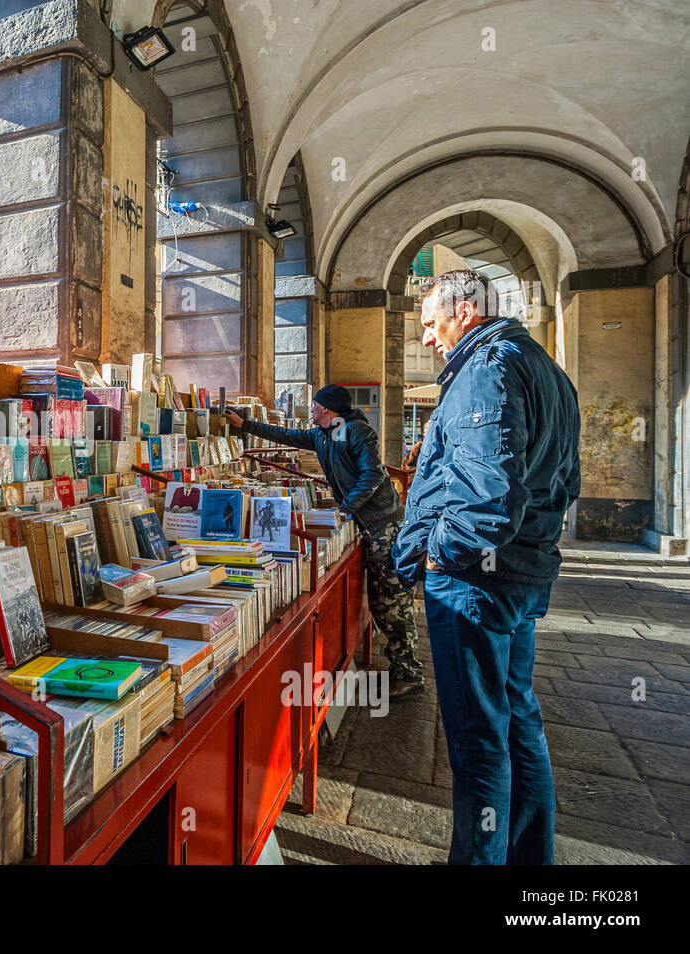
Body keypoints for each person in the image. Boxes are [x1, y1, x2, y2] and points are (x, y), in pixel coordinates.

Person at [393, 269, 580, 866]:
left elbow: (487, 500)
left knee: (478, 740)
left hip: (476, 582)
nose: (426, 339)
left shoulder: (483, 371)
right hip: (522, 574)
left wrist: (435, 552)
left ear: (465, 309)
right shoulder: (548, 371)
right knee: (518, 717)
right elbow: (564, 483)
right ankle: (530, 860)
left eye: (430, 323)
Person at [225, 387, 424, 697]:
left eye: (316, 405)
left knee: (393, 598)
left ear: (329, 409)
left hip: (384, 526)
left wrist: (345, 509)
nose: (312, 410)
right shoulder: (320, 434)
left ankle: (409, 672)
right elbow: (285, 435)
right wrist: (245, 425)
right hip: (367, 524)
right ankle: (403, 669)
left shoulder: (356, 431)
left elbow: (372, 476)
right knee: (381, 598)